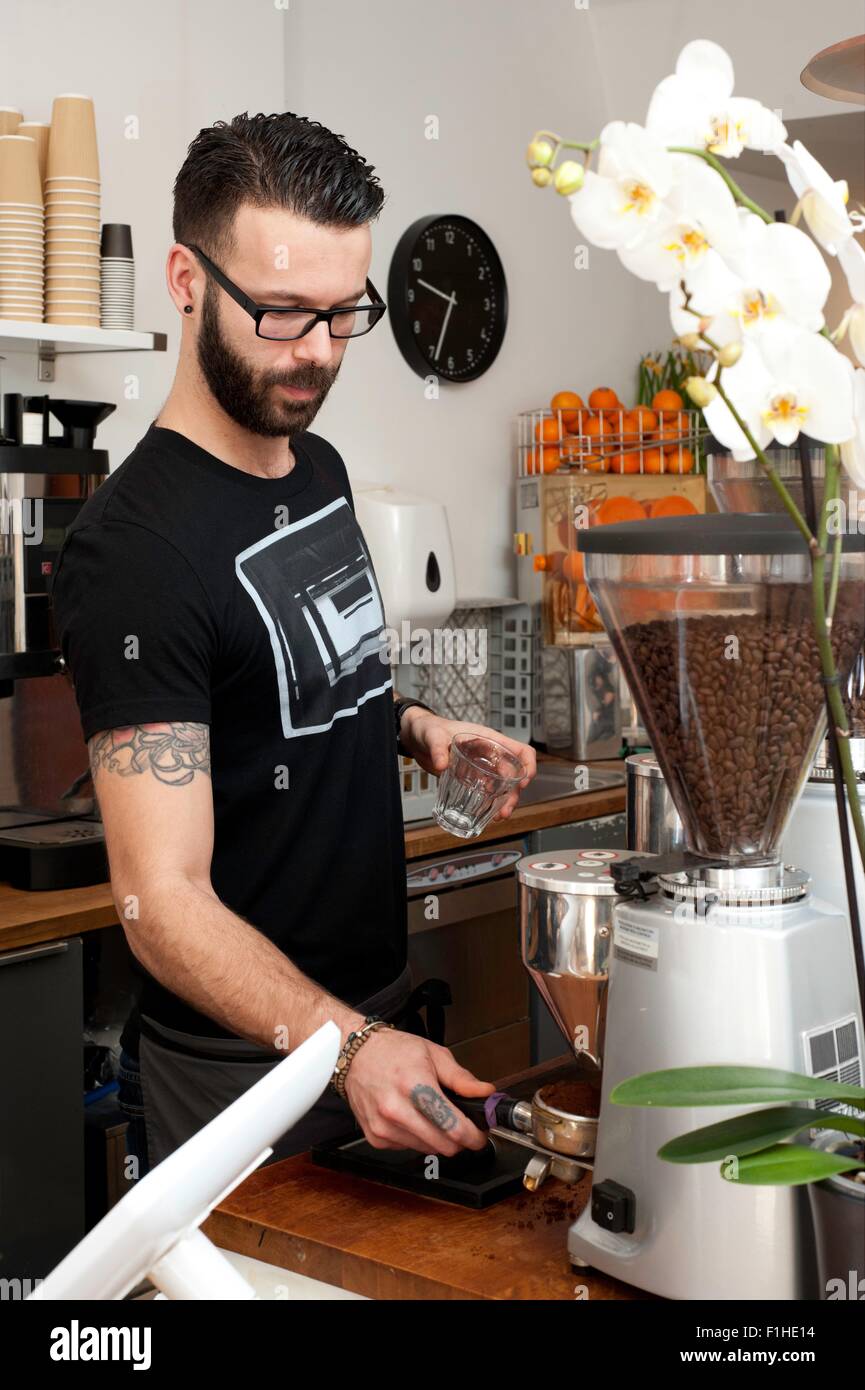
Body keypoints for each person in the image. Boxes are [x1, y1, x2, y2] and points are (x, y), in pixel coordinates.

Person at [52, 111, 536, 1173]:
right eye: (280, 313)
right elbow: (160, 902)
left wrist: (415, 726)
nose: (318, 352)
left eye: (342, 312)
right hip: (244, 1067)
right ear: (186, 279)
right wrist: (343, 1045)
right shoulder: (134, 551)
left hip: (368, 1014)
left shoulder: (311, 464)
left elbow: (309, 677)